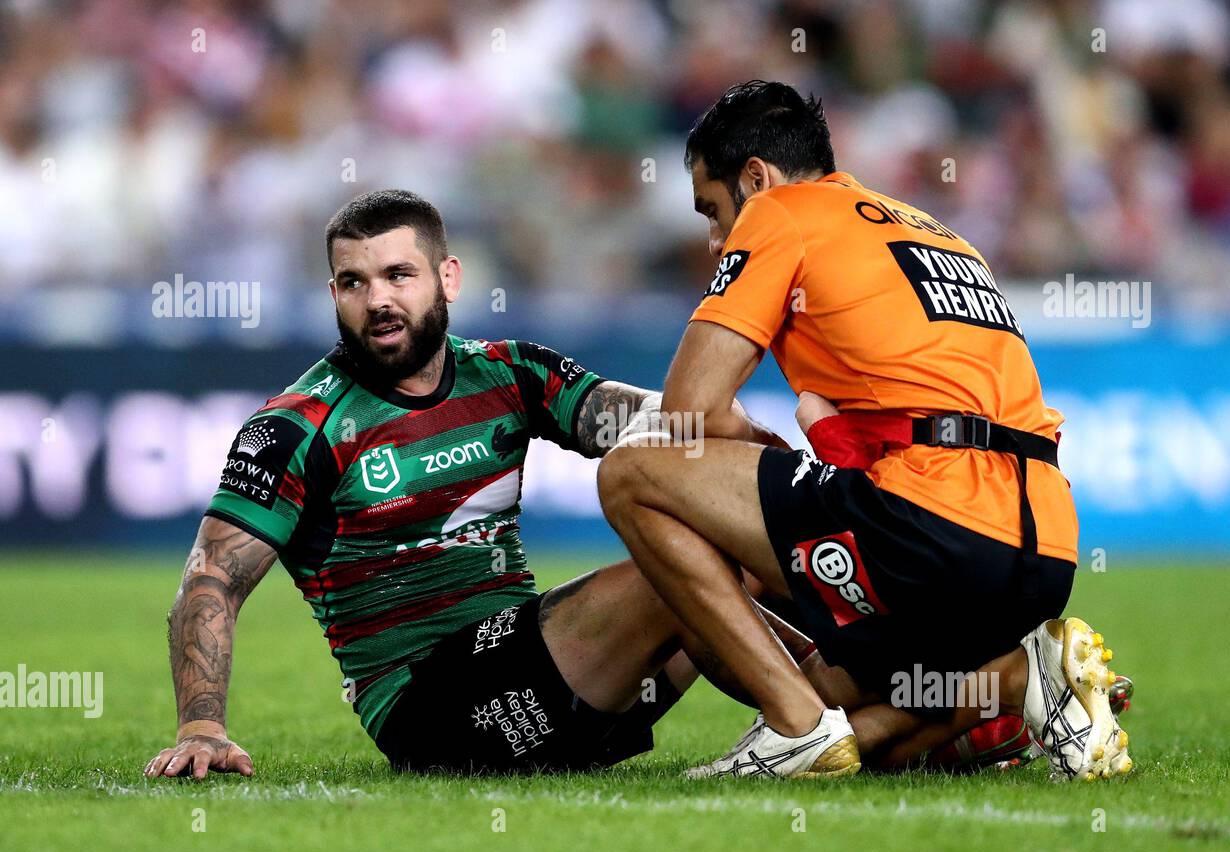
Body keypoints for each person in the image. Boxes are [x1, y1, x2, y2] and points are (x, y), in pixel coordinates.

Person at [598, 81, 1133, 781]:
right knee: (834, 692)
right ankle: (1009, 676)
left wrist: (757, 453)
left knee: (632, 473)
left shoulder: (782, 212)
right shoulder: (937, 231)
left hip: (936, 524)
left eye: (713, 208)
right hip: (1043, 550)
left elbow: (688, 410)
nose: (714, 237)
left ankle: (795, 730)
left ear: (756, 178)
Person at [146, 188, 755, 779]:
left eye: (398, 275)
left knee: (746, 537)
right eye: (354, 283)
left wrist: (780, 465)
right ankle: (805, 719)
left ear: (449, 279)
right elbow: (212, 578)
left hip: (548, 684)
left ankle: (838, 712)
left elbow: (665, 422)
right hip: (430, 710)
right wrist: (201, 729)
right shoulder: (297, 427)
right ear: (333, 295)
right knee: (675, 569)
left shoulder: (510, 372)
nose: (377, 298)